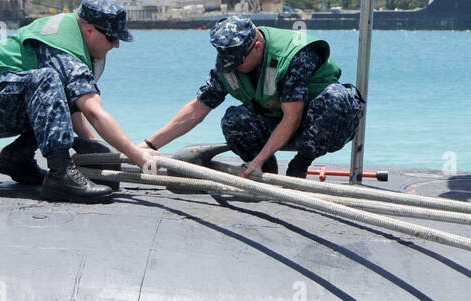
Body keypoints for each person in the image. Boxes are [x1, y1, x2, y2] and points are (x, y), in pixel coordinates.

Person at [0, 0, 155, 203]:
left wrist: (95, 147)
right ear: (90, 30)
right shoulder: (65, 53)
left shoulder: (70, 34)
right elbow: (92, 110)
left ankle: (17, 158)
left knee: (54, 85)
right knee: (46, 79)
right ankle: (60, 175)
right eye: (112, 37)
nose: (117, 44)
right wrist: (136, 155)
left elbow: (66, 106)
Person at [144, 16, 363, 179]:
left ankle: (300, 163)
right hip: (276, 121)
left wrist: (257, 160)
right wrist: (150, 144)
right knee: (233, 121)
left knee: (336, 99)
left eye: (237, 62)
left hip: (318, 125)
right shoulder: (230, 63)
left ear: (256, 47)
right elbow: (198, 108)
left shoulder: (295, 56)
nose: (233, 68)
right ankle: (265, 170)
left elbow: (292, 117)